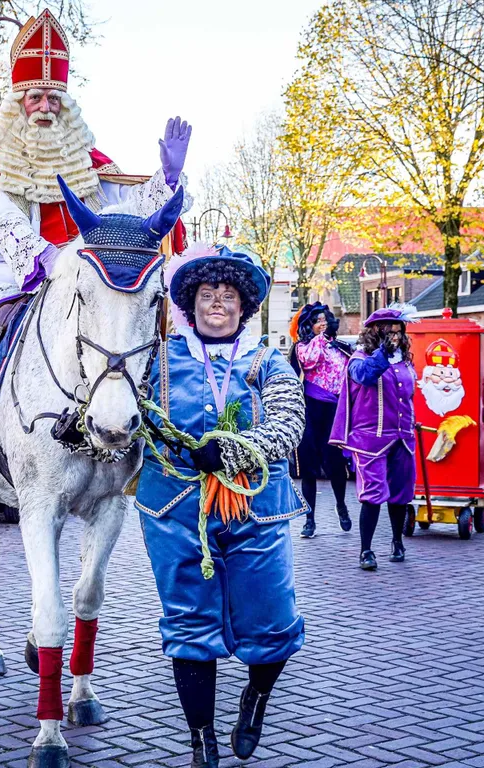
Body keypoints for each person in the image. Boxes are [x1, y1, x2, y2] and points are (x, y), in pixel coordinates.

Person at [0, 9, 192, 522]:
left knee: (133, 328)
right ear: (18, 100)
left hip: (84, 273)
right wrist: (44, 259)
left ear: (65, 101)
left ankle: (150, 432)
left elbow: (132, 212)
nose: (43, 106)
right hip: (11, 273)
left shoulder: (90, 158)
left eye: (52, 97)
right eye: (34, 96)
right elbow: (5, 220)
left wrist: (169, 178)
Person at [137, 243, 306, 766]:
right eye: (207, 294)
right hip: (176, 510)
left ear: (243, 305)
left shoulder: (267, 359)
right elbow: (125, 422)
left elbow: (288, 422)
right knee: (189, 624)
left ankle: (255, 699)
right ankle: (201, 738)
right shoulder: (157, 359)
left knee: (272, 620)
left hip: (256, 507)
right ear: (190, 303)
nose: (217, 303)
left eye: (227, 295)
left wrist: (238, 448)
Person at [330, 305, 418, 571]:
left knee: (401, 494)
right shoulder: (358, 358)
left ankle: (396, 541)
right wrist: (383, 354)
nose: (395, 336)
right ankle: (366, 550)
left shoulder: (404, 361)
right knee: (373, 494)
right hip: (371, 441)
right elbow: (366, 377)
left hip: (402, 437)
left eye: (398, 331)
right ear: (375, 333)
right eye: (389, 332)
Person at [287, 302, 353, 538]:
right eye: (317, 321)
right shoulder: (303, 348)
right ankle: (309, 518)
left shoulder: (341, 348)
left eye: (324, 319)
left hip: (334, 412)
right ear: (309, 325)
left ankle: (342, 505)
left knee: (335, 464)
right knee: (308, 467)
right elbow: (311, 361)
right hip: (310, 410)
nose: (322, 323)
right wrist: (320, 340)